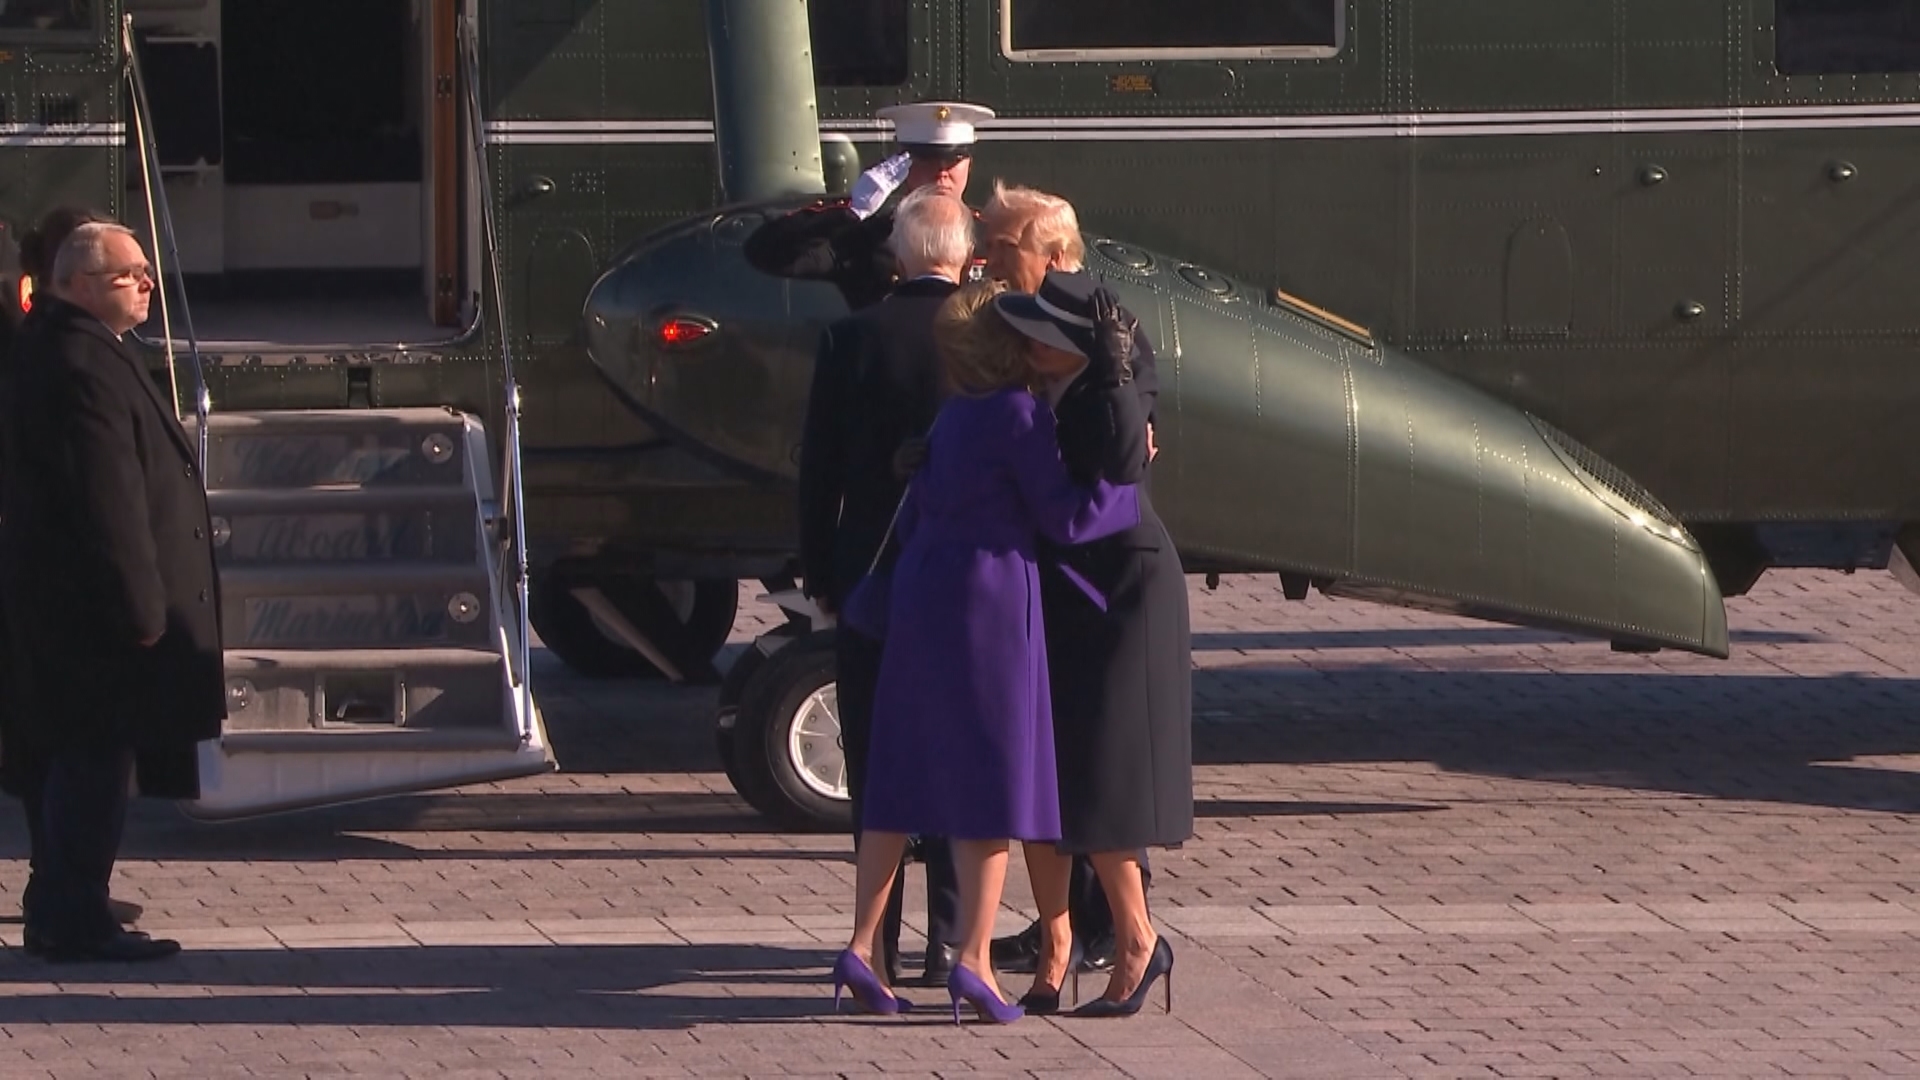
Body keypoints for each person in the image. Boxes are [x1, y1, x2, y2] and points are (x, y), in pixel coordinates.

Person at [830, 279, 1143, 1023]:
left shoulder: (951, 416)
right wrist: (1126, 491)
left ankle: (859, 945)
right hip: (990, 600)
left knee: (899, 774)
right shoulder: (1018, 414)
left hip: (920, 589)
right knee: (993, 782)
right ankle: (973, 959)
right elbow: (1064, 518)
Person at [0, 221, 226, 961]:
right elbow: (109, 498)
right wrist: (142, 604)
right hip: (91, 614)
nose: (146, 283)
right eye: (131, 273)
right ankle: (71, 915)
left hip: (63, 607)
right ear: (78, 284)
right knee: (91, 759)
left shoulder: (78, 347)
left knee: (66, 755)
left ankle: (64, 894)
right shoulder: (78, 360)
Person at [996, 268, 1193, 1019]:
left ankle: (1137, 940)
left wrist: (1112, 370)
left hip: (1122, 594)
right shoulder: (1048, 388)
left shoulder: (1115, 388)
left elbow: (1122, 460)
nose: (1023, 345)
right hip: (1063, 592)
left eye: (1039, 338)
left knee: (1102, 776)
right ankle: (1057, 947)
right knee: (1052, 781)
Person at [977, 180, 1157, 980]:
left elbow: (1123, 455)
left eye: (1003, 250)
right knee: (1061, 756)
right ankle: (1067, 928)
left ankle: (1109, 928)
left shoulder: (1104, 325)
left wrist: (1117, 386)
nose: (987, 261)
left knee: (1099, 756)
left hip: (1103, 569)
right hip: (1050, 570)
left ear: (1053, 256)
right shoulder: (1016, 327)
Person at [796, 186, 967, 987]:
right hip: (966, 575)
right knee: (956, 751)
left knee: (875, 756)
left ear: (897, 257)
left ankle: (878, 939)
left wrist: (820, 568)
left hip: (872, 571)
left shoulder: (850, 337)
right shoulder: (991, 337)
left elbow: (817, 470)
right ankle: (951, 940)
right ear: (964, 255)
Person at [0, 206, 147, 952]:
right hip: (50, 574)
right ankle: (62, 893)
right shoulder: (62, 353)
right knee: (73, 740)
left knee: (49, 737)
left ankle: (57, 885)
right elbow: (102, 490)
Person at [744, 99, 995, 311]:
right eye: (927, 159)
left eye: (954, 159)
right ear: (902, 165)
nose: (941, 172)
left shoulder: (992, 236)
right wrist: (850, 213)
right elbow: (766, 253)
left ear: (969, 165)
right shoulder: (874, 236)